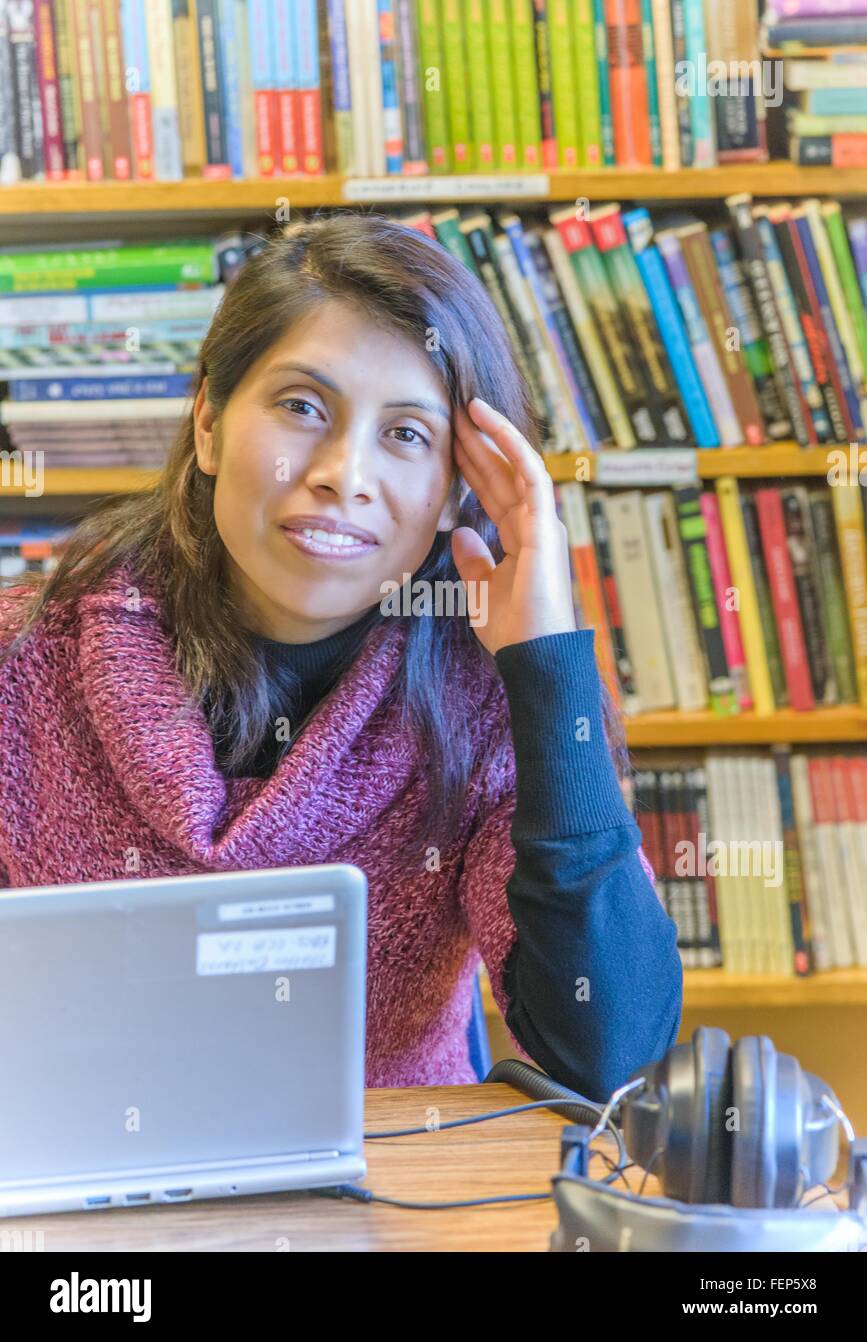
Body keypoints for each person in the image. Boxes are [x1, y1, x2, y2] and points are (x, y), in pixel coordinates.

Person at [0, 213, 681, 1098]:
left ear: (452, 493)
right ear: (208, 421)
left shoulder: (483, 695)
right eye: (301, 407)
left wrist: (547, 669)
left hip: (394, 1188)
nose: (342, 472)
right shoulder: (25, 657)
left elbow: (611, 1052)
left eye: (406, 434)